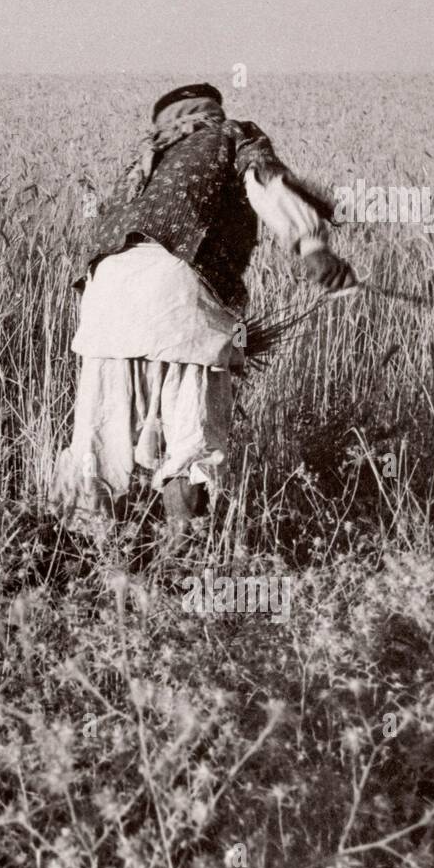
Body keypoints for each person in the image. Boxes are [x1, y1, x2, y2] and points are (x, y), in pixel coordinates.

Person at [50, 82, 356, 549]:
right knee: (190, 437)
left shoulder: (143, 163)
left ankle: (93, 559)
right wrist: (313, 247)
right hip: (178, 297)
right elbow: (266, 185)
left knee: (101, 437)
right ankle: (183, 561)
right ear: (211, 111)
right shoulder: (232, 135)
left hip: (106, 302)